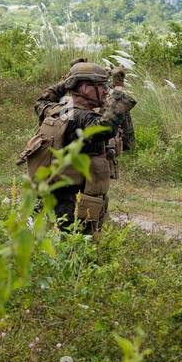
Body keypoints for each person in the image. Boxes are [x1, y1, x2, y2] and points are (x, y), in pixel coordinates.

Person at [18, 59, 135, 234]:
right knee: (78, 246)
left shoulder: (57, 110)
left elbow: (43, 99)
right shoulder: (83, 119)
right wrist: (118, 92)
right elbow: (107, 127)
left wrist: (71, 78)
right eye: (101, 86)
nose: (106, 91)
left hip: (58, 199)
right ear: (84, 88)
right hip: (77, 205)